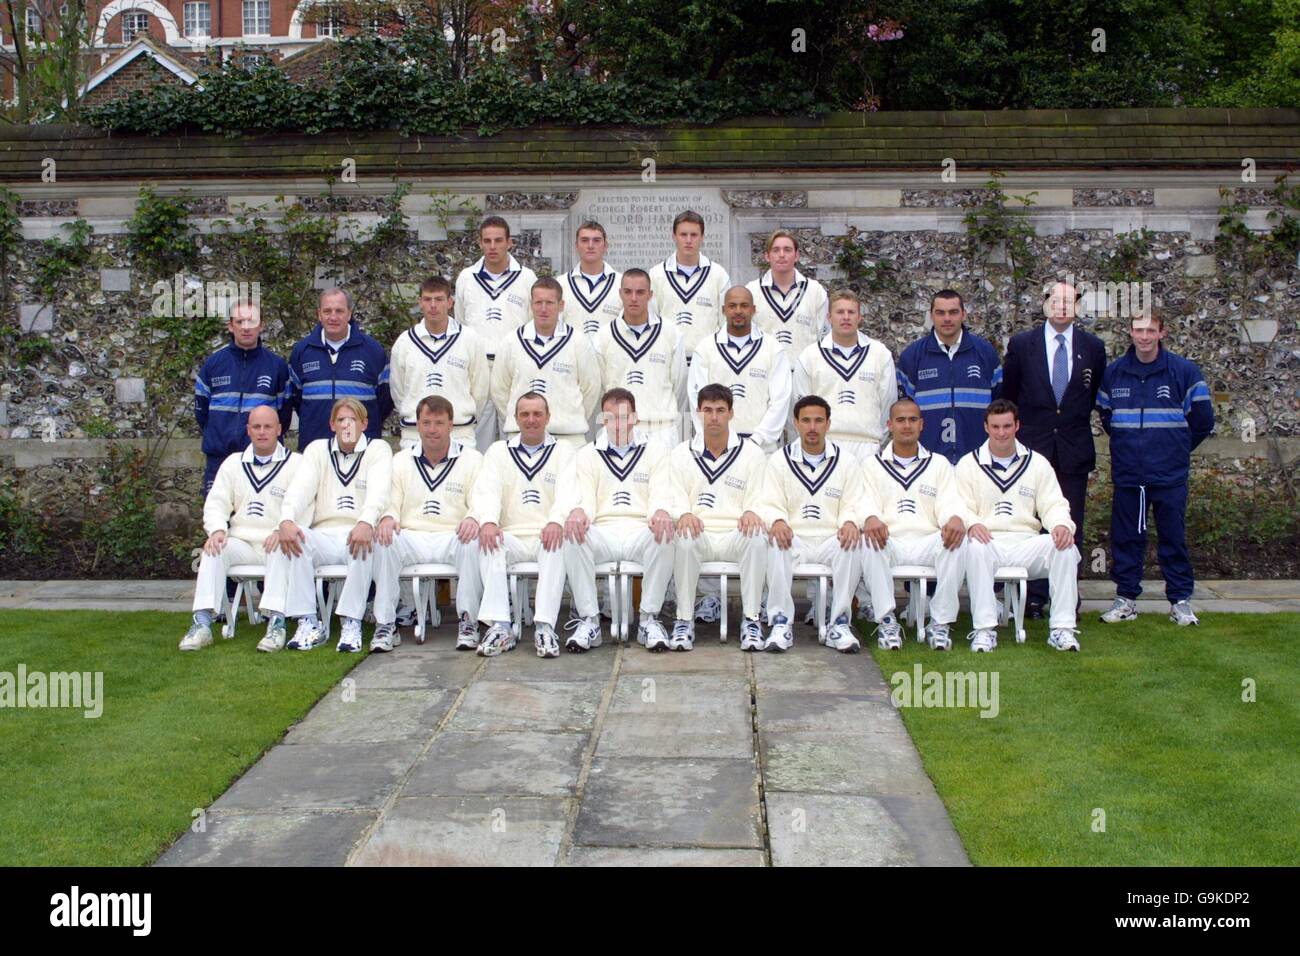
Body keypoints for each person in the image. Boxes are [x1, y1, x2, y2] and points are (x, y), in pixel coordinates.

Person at [1097, 311, 1214, 626]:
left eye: (1151, 330)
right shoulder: (1115, 373)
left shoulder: (1184, 372)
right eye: (1138, 330)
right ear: (1130, 333)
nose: (1144, 337)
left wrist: (1174, 450)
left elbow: (1203, 421)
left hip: (1169, 475)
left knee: (1173, 538)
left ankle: (1180, 601)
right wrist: (1131, 449)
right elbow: (1106, 417)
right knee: (1127, 538)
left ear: (1162, 333)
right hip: (1129, 475)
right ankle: (1126, 600)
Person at [1000, 281, 1107, 619]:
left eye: (1069, 301)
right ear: (1044, 305)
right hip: (1032, 448)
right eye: (1055, 301)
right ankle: (1032, 596)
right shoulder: (1022, 345)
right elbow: (1009, 394)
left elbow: (1089, 399)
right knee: (1032, 523)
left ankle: (1067, 595)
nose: (1062, 307)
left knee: (1069, 522)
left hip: (1072, 449)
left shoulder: (1093, 347)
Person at [261, 398, 393, 653]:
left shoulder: (378, 450)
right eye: (341, 420)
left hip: (357, 531)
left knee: (363, 543)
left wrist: (366, 522)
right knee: (296, 539)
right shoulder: (316, 450)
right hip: (323, 533)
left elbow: (379, 493)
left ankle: (351, 622)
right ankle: (308, 620)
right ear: (332, 424)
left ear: (364, 424)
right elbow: (299, 491)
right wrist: (286, 520)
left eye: (352, 420)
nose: (347, 425)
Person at [556, 388, 677, 651]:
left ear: (635, 418)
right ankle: (589, 620)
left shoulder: (656, 451)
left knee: (666, 533)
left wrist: (660, 511)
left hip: (640, 529)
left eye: (623, 417)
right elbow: (585, 497)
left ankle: (648, 619)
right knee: (573, 534)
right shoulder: (587, 454)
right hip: (604, 530)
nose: (618, 424)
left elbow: (661, 492)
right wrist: (579, 512)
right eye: (611, 418)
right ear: (602, 420)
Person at [955, 399, 1081, 652]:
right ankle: (984, 629)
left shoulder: (1037, 464)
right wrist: (972, 524)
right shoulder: (968, 464)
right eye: (996, 426)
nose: (1001, 432)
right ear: (986, 427)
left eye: (1007, 426)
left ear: (1017, 426)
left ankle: (1062, 629)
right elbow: (958, 506)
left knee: (1064, 547)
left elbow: (1054, 503)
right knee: (975, 546)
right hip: (989, 542)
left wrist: (1060, 525)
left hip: (1026, 543)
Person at [180, 406, 303, 651]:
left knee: (283, 546)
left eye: (268, 426)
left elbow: (305, 505)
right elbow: (216, 503)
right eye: (256, 427)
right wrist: (216, 530)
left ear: (279, 429)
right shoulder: (233, 463)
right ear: (248, 430)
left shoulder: (296, 464)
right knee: (213, 549)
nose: (262, 432)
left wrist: (283, 529)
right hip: (242, 542)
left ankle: (276, 623)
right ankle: (202, 623)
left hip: (275, 540)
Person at [656, 384, 768, 652]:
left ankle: (751, 620)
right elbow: (673, 494)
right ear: (698, 413)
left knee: (756, 536)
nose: (714, 417)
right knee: (682, 537)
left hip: (734, 534)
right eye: (708, 410)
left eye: (720, 410)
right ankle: (684, 620)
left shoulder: (752, 452)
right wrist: (683, 514)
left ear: (731, 413)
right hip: (701, 533)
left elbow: (762, 495)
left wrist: (753, 510)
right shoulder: (681, 453)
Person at [370, 396, 484, 653]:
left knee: (473, 540)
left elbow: (481, 500)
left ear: (451, 425)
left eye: (439, 423)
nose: (432, 429)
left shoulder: (472, 459)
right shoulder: (401, 461)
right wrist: (388, 517)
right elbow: (391, 500)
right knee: (384, 539)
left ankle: (468, 621)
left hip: (452, 536)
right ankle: (386, 623)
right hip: (412, 536)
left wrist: (472, 517)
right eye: (427, 422)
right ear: (418, 425)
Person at [754, 396, 865, 653]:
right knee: (776, 541)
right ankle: (780, 622)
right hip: (795, 538)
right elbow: (768, 501)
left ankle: (839, 622)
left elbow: (854, 501)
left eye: (818, 420)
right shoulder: (779, 461)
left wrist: (849, 522)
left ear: (828, 424)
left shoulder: (846, 461)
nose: (812, 427)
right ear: (796, 423)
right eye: (806, 421)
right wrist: (778, 520)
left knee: (851, 543)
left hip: (830, 537)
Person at [471, 393, 576, 658]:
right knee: (488, 541)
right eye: (525, 414)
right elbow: (488, 493)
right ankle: (501, 626)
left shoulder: (564, 451)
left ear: (548, 417)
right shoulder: (498, 452)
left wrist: (555, 521)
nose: (531, 420)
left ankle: (544, 626)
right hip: (512, 535)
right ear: (515, 418)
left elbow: (568, 494)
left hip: (546, 534)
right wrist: (489, 523)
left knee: (556, 545)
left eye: (537, 414)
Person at [859, 399, 968, 651]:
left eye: (912, 420)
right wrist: (871, 517)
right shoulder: (871, 465)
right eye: (900, 420)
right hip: (890, 541)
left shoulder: (939, 464)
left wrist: (953, 518)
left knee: (958, 540)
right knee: (868, 539)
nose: (906, 425)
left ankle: (940, 623)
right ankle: (887, 620)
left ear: (922, 424)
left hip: (927, 540)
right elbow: (864, 502)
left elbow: (950, 502)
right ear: (889, 425)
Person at [490, 277, 602, 449]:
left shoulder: (578, 342)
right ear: (531, 304)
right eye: (538, 302)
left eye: (549, 303)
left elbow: (591, 388)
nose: (543, 309)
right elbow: (499, 390)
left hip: (569, 439)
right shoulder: (511, 342)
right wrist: (522, 422)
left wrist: (569, 418)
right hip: (521, 438)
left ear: (561, 305)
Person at [194, 299, 292, 494]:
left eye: (252, 321)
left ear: (261, 325)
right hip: (219, 459)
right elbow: (201, 413)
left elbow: (284, 415)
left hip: (262, 459)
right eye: (239, 322)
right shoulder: (213, 365)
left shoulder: (276, 366)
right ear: (230, 326)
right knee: (218, 518)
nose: (246, 328)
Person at [896, 289, 1002, 464]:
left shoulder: (985, 353)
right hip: (928, 460)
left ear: (964, 314)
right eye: (940, 313)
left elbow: (999, 405)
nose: (947, 319)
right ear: (931, 316)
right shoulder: (912, 356)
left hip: (976, 459)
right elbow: (904, 411)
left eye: (953, 312)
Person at [792, 289, 896, 462]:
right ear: (829, 317)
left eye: (851, 312)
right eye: (840, 312)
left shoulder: (880, 354)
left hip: (868, 445)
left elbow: (888, 403)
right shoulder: (809, 356)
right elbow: (799, 406)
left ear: (859, 317)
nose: (846, 317)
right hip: (824, 445)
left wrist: (876, 437)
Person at [387, 275, 489, 449]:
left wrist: (461, 416)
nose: (433, 305)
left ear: (450, 302)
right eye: (427, 299)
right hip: (414, 437)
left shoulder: (470, 339)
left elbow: (480, 390)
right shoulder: (405, 343)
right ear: (420, 302)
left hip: (460, 435)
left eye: (439, 299)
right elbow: (399, 391)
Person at [591, 268, 687, 453]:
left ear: (650, 295)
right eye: (628, 292)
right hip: (617, 429)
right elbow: (598, 387)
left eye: (640, 292)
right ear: (620, 293)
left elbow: (680, 384)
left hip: (661, 428)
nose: (633, 298)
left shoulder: (670, 333)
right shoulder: (603, 337)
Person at [687, 286, 791, 454]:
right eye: (732, 305)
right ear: (723, 310)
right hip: (717, 448)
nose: (738, 311)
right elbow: (696, 400)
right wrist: (712, 439)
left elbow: (780, 401)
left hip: (761, 450)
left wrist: (757, 439)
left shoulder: (773, 349)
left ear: (753, 309)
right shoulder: (705, 349)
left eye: (744, 305)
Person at [286, 288, 392, 449]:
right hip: (315, 448)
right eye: (327, 311)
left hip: (361, 449)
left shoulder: (372, 351)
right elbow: (296, 400)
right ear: (319, 314)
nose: (333, 317)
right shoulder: (302, 351)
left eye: (339, 311)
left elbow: (384, 401)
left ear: (349, 314)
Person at [649, 209, 731, 360]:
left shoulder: (718, 275)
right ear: (674, 236)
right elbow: (651, 321)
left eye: (694, 235)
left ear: (702, 237)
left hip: (707, 360)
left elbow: (726, 322)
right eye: (683, 235)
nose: (688, 240)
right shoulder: (656, 275)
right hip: (669, 359)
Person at [746, 229, 829, 361]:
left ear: (797, 256)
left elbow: (825, 338)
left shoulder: (815, 291)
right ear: (767, 256)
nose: (782, 255)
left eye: (787, 250)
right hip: (766, 373)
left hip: (804, 373)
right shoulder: (751, 291)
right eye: (776, 250)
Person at [562, 221, 622, 337]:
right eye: (584, 240)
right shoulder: (561, 284)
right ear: (576, 246)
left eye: (596, 240)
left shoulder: (622, 284)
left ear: (605, 246)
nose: (590, 246)